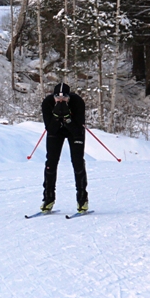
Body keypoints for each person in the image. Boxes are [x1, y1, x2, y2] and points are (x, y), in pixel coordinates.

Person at [40, 82, 88, 214]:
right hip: (56, 131)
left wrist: (67, 118)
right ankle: (48, 199)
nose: (61, 100)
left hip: (74, 130)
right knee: (51, 162)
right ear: (53, 96)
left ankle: (82, 199)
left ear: (69, 97)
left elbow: (78, 130)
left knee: (77, 162)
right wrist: (56, 117)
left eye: (64, 98)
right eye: (58, 97)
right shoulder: (48, 103)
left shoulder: (77, 102)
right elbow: (50, 128)